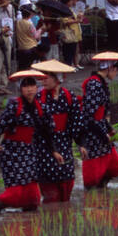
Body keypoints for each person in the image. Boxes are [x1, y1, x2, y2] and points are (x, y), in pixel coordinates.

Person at [0, 69, 49, 213]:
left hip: (29, 152)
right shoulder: (15, 105)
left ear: (36, 87)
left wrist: (53, 150)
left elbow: (45, 131)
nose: (29, 89)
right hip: (12, 153)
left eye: (32, 85)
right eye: (25, 86)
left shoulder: (40, 107)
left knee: (32, 197)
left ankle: (29, 227)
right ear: (21, 89)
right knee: (15, 193)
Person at [76, 52, 118, 189]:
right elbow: (89, 116)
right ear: (110, 68)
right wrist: (101, 132)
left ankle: (101, 191)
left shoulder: (100, 83)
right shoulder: (95, 84)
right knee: (93, 173)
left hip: (99, 128)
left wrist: (109, 128)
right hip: (92, 132)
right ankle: (94, 194)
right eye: (116, 70)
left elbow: (100, 113)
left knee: (113, 165)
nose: (116, 73)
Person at [32, 59, 79, 203]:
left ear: (58, 79)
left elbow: (76, 123)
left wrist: (81, 143)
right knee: (48, 185)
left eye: (47, 77)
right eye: (42, 77)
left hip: (65, 143)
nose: (43, 81)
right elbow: (38, 128)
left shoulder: (69, 97)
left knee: (66, 180)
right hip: (45, 146)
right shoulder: (38, 99)